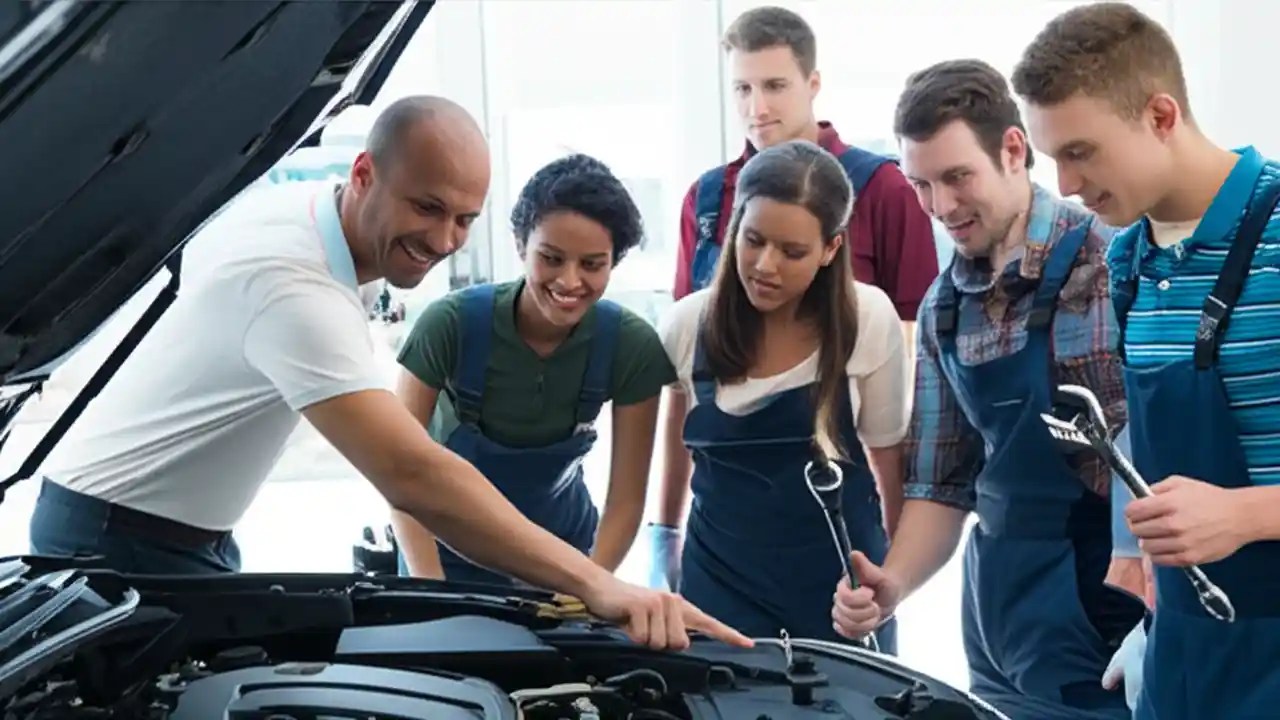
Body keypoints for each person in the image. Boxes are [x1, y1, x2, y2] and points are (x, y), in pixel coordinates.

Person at [25, 95, 751, 652]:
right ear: (363, 173)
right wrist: (599, 586)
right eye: (427, 207)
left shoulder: (320, 221)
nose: (441, 240)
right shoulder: (295, 287)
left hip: (182, 533)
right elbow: (413, 473)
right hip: (115, 544)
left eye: (464, 218)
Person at [829, 59, 1146, 718]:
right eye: (920, 184)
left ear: (1012, 149)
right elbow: (942, 484)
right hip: (995, 610)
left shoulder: (1114, 264)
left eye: (956, 177)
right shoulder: (947, 303)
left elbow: (1164, 451)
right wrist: (893, 585)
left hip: (1102, 605)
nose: (940, 207)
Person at [1013, 3, 1280, 717]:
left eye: (1081, 151)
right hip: (1182, 654)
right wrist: (1156, 627)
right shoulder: (1127, 261)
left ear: (1161, 116)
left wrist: (1250, 514)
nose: (1065, 185)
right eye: (1053, 159)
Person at [652, 3, 938, 587]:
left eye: (775, 86)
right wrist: (664, 539)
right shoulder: (706, 200)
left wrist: (897, 577)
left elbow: (909, 367)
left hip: (836, 553)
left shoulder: (882, 190)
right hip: (719, 561)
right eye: (743, 88)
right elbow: (682, 393)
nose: (758, 107)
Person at [655, 139, 910, 649]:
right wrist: (664, 544)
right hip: (716, 586)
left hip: (841, 592)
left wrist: (892, 583)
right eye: (753, 240)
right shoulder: (687, 325)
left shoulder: (868, 318)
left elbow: (890, 466)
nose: (765, 266)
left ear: (831, 249)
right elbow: (676, 445)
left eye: (793, 252)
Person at [391, 153, 674, 585]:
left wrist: (593, 586)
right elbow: (398, 472)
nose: (569, 281)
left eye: (593, 264)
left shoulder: (630, 345)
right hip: (443, 555)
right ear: (521, 245)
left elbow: (626, 503)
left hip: (564, 556)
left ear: (614, 261)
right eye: (552, 258)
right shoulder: (448, 325)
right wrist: (431, 587)